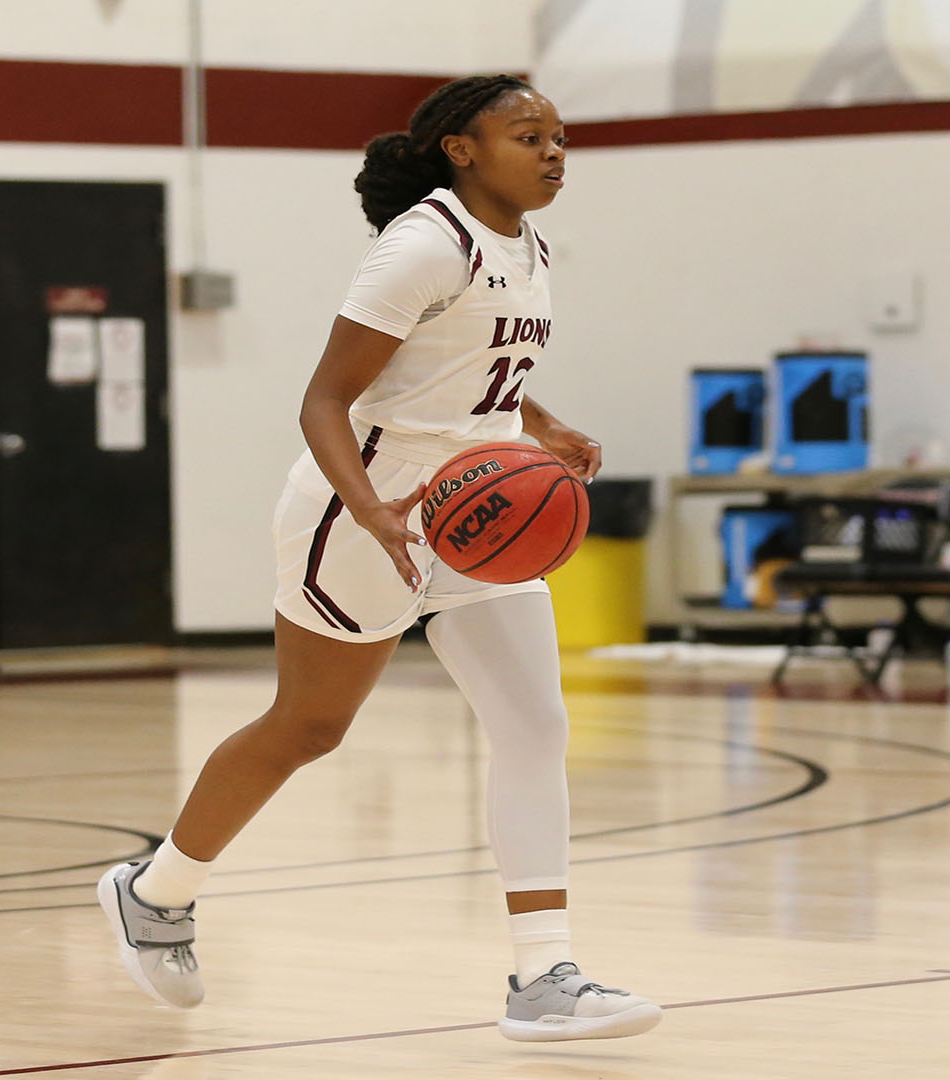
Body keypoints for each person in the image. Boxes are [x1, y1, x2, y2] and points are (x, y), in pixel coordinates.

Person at [94, 75, 661, 1041]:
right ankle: (156, 892)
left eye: (560, 138)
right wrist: (373, 513)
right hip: (367, 504)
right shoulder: (422, 245)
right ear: (462, 150)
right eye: (530, 136)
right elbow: (325, 399)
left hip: (476, 505)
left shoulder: (527, 244)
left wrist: (543, 424)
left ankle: (544, 976)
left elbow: (468, 365)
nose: (554, 153)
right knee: (309, 727)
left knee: (534, 726)